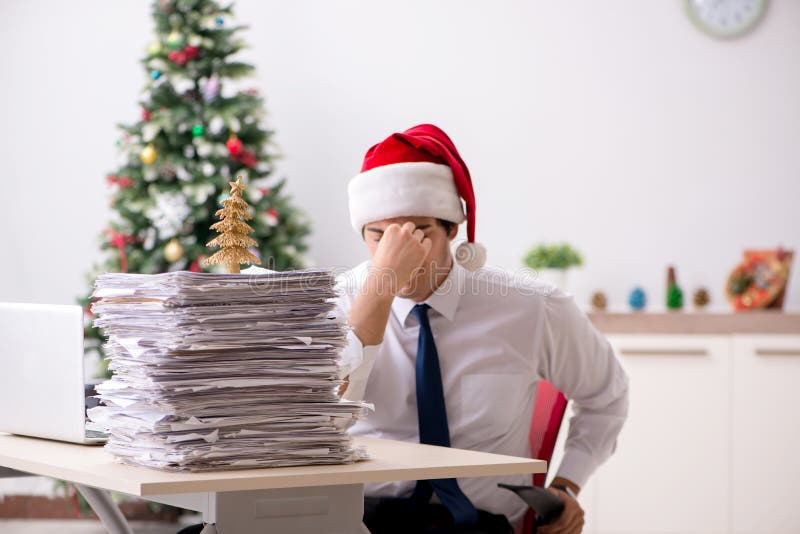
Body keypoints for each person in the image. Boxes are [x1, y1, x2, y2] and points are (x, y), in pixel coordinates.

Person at [336, 123, 629, 534]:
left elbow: (607, 395)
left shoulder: (531, 307)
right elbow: (317, 424)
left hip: (480, 524)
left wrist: (567, 485)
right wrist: (378, 293)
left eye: (416, 235)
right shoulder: (334, 304)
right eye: (379, 236)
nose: (395, 254)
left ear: (453, 229)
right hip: (359, 519)